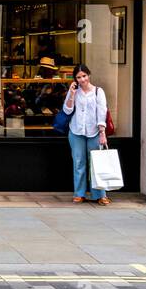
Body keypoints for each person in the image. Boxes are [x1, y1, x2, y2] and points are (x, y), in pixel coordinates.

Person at [63, 63, 109, 205]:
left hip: (94, 132)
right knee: (78, 163)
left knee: (96, 163)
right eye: (79, 77)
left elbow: (102, 113)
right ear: (75, 79)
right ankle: (79, 193)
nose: (82, 79)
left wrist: (102, 132)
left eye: (84, 76)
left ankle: (100, 195)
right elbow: (67, 110)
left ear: (89, 75)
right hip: (76, 131)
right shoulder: (74, 92)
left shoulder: (98, 91)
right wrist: (71, 93)